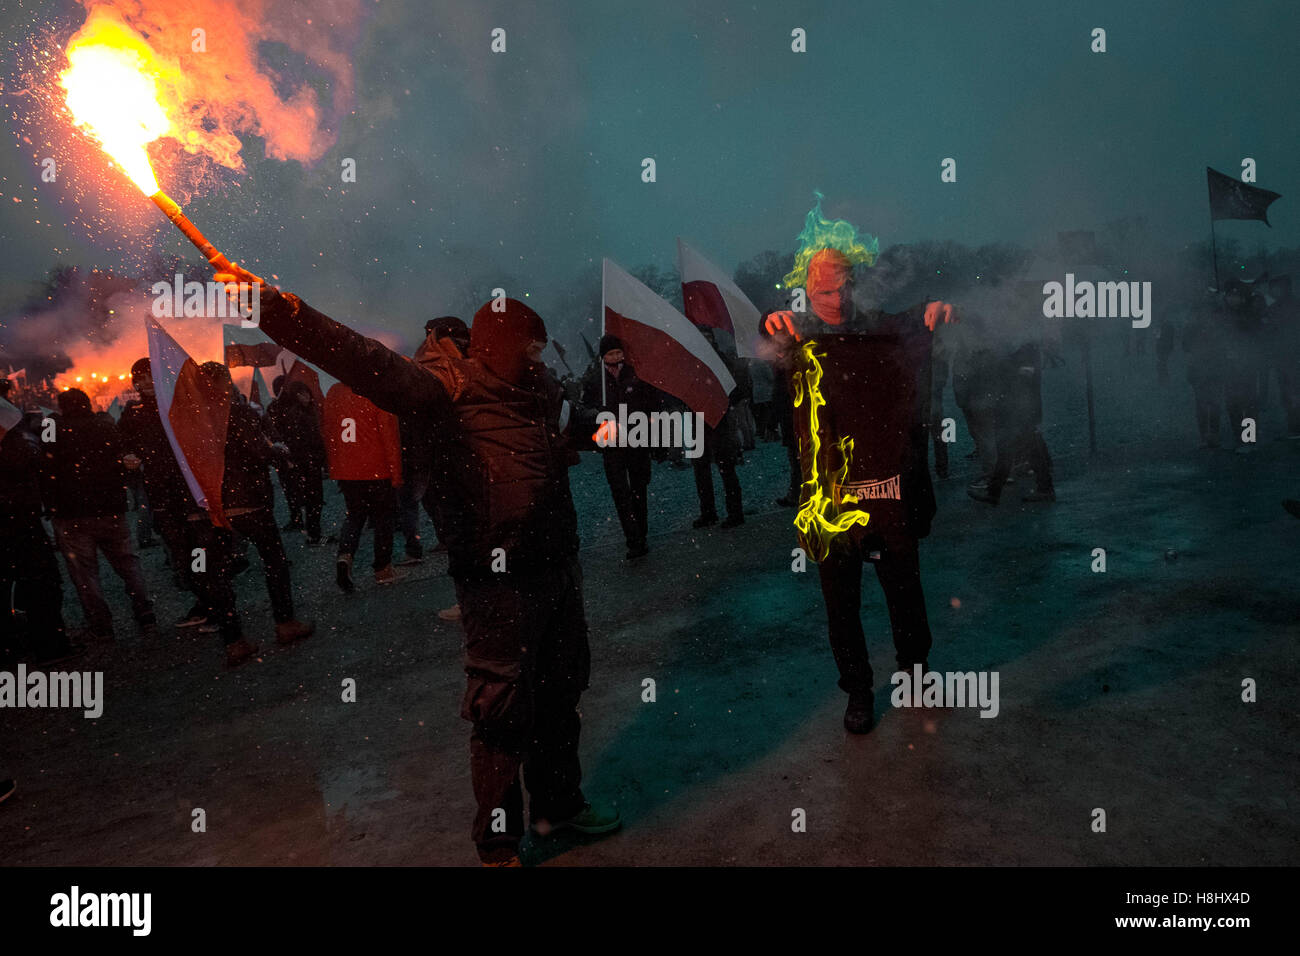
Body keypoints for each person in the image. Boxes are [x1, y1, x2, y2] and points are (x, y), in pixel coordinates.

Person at [219, 266, 620, 865]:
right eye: (530, 349)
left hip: (558, 567)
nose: (537, 359)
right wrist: (275, 309)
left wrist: (625, 427)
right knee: (502, 711)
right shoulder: (440, 391)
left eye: (540, 350)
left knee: (561, 694)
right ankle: (501, 846)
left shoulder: (539, 391)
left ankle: (559, 804)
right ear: (498, 348)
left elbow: (579, 426)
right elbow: (358, 359)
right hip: (495, 583)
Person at [766, 248, 951, 733]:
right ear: (808, 288)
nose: (837, 297)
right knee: (841, 603)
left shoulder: (877, 325)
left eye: (844, 284)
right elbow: (773, 354)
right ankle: (859, 691)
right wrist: (776, 327)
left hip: (889, 487)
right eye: (826, 289)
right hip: (831, 496)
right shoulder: (798, 331)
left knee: (905, 591)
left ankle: (915, 673)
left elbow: (912, 324)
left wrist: (931, 310)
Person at [197, 364, 314, 666]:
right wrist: (281, 450)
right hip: (248, 500)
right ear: (225, 382)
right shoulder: (236, 413)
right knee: (274, 561)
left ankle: (233, 640)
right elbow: (258, 451)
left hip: (214, 504)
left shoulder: (192, 418)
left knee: (219, 576)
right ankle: (285, 622)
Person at [39, 388, 154, 641]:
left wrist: (51, 502)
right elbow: (121, 456)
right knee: (128, 563)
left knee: (85, 573)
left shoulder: (53, 429)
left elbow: (44, 464)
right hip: (110, 507)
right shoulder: (105, 425)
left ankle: (101, 625)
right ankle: (145, 611)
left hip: (72, 513)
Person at [119, 358, 211, 628]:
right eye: (139, 379)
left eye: (149, 376)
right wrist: (126, 455)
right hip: (160, 493)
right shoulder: (132, 413)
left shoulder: (179, 404)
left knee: (200, 549)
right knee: (179, 551)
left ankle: (214, 601)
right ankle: (204, 599)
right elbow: (122, 442)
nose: (144, 383)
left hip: (189, 489)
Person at [0, 394, 80, 666]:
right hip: (18, 522)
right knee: (41, 585)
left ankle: (12, 646)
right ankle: (51, 647)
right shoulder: (13, 444)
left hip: (15, 519)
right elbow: (30, 462)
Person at [397, 316, 468, 563]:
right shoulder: (468, 363)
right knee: (439, 497)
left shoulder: (435, 365)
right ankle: (451, 538)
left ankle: (451, 539)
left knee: (436, 497)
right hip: (445, 447)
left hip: (436, 447)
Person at [582, 334, 658, 559]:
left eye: (618, 352)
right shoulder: (596, 380)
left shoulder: (636, 375)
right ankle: (632, 539)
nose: (615, 357)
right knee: (620, 494)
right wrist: (598, 419)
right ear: (603, 356)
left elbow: (651, 405)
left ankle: (641, 535)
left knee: (638, 491)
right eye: (610, 353)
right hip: (612, 445)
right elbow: (586, 409)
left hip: (637, 442)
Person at [324, 381, 403, 590]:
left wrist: (336, 464)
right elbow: (389, 436)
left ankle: (345, 555)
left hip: (347, 470)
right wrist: (396, 474)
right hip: (376, 468)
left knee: (355, 516)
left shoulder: (333, 393)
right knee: (384, 519)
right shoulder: (375, 392)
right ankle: (382, 569)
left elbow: (329, 431)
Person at [691, 327, 745, 529]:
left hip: (718, 419)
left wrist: (720, 403)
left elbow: (734, 387)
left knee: (725, 467)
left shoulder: (720, 359)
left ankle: (734, 512)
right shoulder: (692, 361)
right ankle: (709, 512)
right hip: (698, 418)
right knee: (701, 468)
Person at [268, 379, 326, 541]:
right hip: (307, 461)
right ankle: (314, 535)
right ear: (298, 395)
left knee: (305, 497)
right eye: (304, 394)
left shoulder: (282, 410)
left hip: (298, 462)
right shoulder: (299, 413)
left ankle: (309, 529)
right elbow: (311, 439)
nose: (308, 397)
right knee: (313, 499)